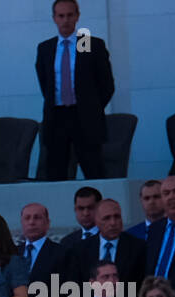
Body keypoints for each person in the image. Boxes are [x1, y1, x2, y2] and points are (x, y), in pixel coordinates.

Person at [35, 0, 114, 180]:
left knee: (93, 170)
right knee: (56, 172)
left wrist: (92, 107)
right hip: (57, 116)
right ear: (54, 18)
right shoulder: (46, 48)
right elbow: (45, 83)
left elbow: (106, 84)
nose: (66, 20)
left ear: (77, 16)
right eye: (61, 16)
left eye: (70, 15)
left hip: (84, 116)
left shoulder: (87, 43)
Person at [77, 198, 146, 286]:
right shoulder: (81, 250)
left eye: (117, 217)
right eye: (107, 218)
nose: (113, 223)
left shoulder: (138, 248)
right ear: (96, 222)